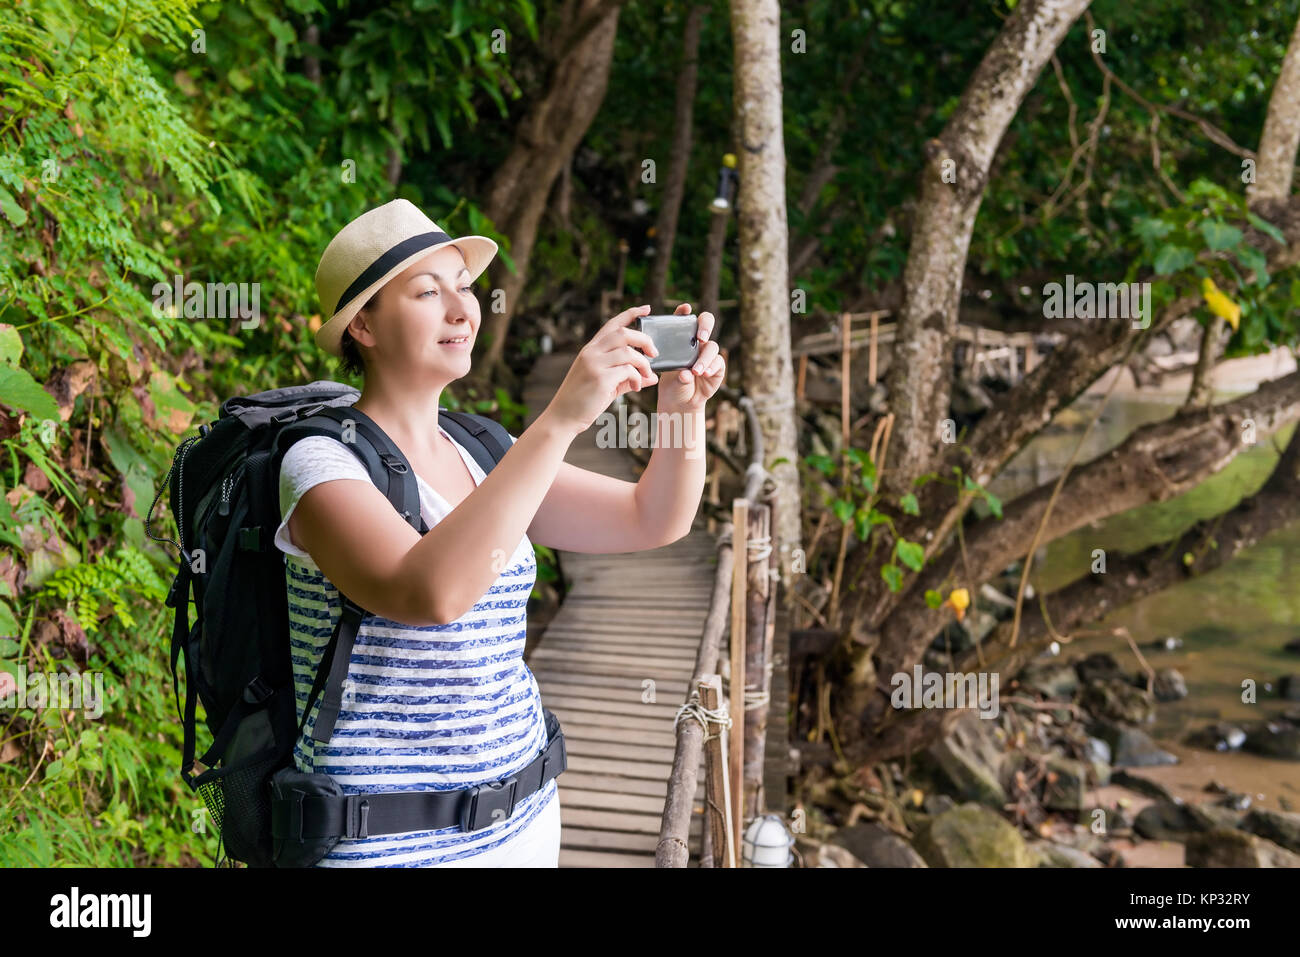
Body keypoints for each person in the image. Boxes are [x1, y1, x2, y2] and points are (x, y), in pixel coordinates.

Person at [273, 198, 726, 866]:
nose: (462, 309)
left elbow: (653, 518)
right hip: (385, 840)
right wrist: (561, 419)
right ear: (363, 324)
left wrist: (682, 413)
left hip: (527, 816)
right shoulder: (319, 464)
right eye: (429, 291)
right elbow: (430, 592)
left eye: (465, 287)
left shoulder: (485, 450)